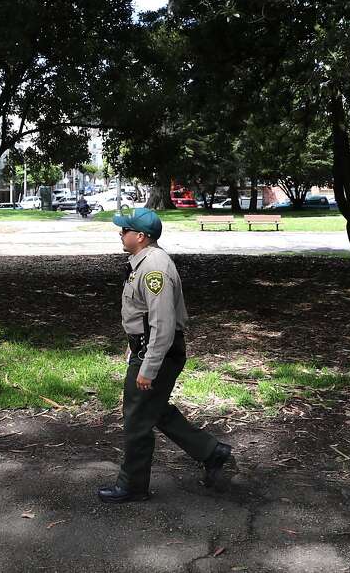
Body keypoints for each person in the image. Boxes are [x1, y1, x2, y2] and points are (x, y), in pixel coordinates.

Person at [97, 207, 235, 503]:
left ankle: (132, 485)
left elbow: (162, 323)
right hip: (148, 348)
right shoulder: (143, 261)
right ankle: (211, 452)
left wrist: (148, 367)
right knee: (154, 409)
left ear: (141, 236)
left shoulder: (155, 268)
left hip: (157, 351)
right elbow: (143, 317)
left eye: (125, 230)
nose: (120, 234)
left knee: (136, 418)